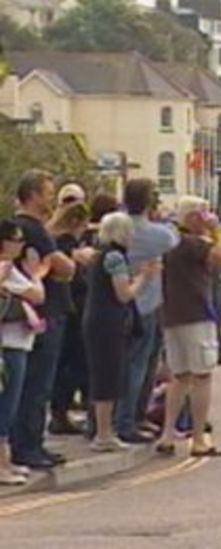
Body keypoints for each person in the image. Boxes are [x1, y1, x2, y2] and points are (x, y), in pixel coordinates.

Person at [12, 170, 78, 470]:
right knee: (38, 384)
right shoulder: (35, 229)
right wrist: (66, 262)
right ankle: (29, 446)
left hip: (30, 313)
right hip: (45, 311)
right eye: (49, 193)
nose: (52, 199)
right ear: (35, 195)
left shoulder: (17, 227)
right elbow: (65, 269)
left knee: (28, 383)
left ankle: (28, 444)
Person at [156, 197, 221, 457]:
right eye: (204, 213)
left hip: (172, 314)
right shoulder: (192, 243)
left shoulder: (169, 241)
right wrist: (216, 231)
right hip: (196, 314)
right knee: (202, 376)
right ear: (192, 217)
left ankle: (168, 434)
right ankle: (198, 438)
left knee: (179, 376)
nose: (208, 217)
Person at [83, 212, 162, 452]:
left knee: (106, 374)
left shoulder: (102, 255)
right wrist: (145, 278)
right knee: (106, 376)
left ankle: (103, 429)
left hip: (99, 320)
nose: (132, 236)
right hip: (107, 322)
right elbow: (124, 294)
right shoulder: (115, 257)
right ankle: (104, 434)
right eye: (129, 231)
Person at [115, 179, 179, 444]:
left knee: (136, 363)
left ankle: (132, 418)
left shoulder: (117, 228)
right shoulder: (158, 233)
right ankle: (130, 420)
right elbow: (174, 240)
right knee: (141, 365)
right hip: (149, 302)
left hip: (121, 302)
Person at [0, 221, 46, 484]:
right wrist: (36, 274)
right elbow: (37, 295)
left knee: (10, 404)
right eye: (15, 239)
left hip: (16, 342)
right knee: (6, 405)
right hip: (10, 344)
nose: (20, 245)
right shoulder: (6, 267)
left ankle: (7, 461)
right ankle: (2, 465)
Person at [46, 201, 93, 436]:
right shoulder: (67, 243)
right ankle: (60, 413)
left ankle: (60, 412)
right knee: (73, 364)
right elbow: (74, 278)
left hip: (68, 308)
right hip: (73, 309)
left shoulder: (55, 240)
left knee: (65, 364)